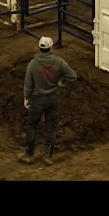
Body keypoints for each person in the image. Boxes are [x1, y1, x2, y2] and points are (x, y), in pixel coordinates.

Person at [20, 36, 78, 166]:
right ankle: (48, 156)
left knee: (32, 126)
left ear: (40, 48)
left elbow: (28, 84)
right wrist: (61, 81)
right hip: (53, 99)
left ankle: (29, 155)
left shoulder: (33, 64)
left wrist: (27, 98)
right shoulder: (59, 62)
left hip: (38, 100)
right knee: (51, 127)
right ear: (50, 47)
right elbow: (73, 76)